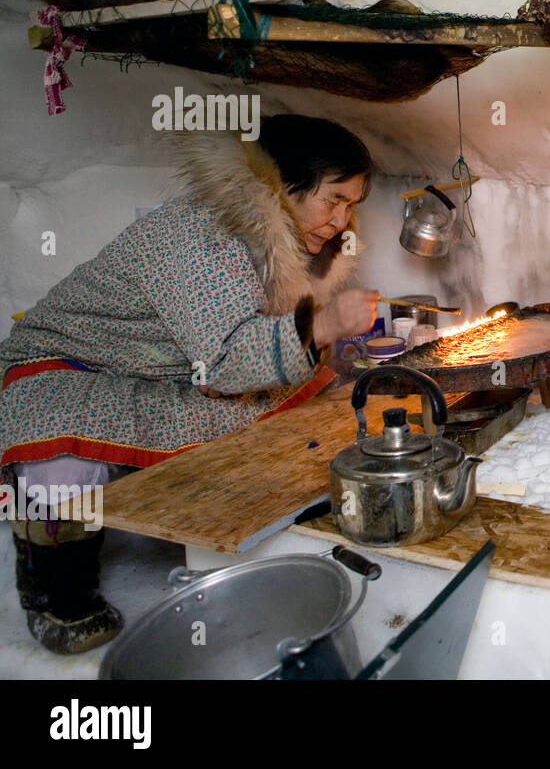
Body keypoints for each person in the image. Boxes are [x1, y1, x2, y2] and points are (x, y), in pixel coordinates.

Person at [0, 114, 381, 654]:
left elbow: (243, 346)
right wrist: (322, 326)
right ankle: (55, 588)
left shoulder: (285, 241)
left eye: (353, 206)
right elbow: (225, 360)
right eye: (333, 200)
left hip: (160, 369)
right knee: (63, 461)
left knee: (283, 404)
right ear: (284, 183)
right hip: (69, 365)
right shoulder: (196, 235)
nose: (342, 219)